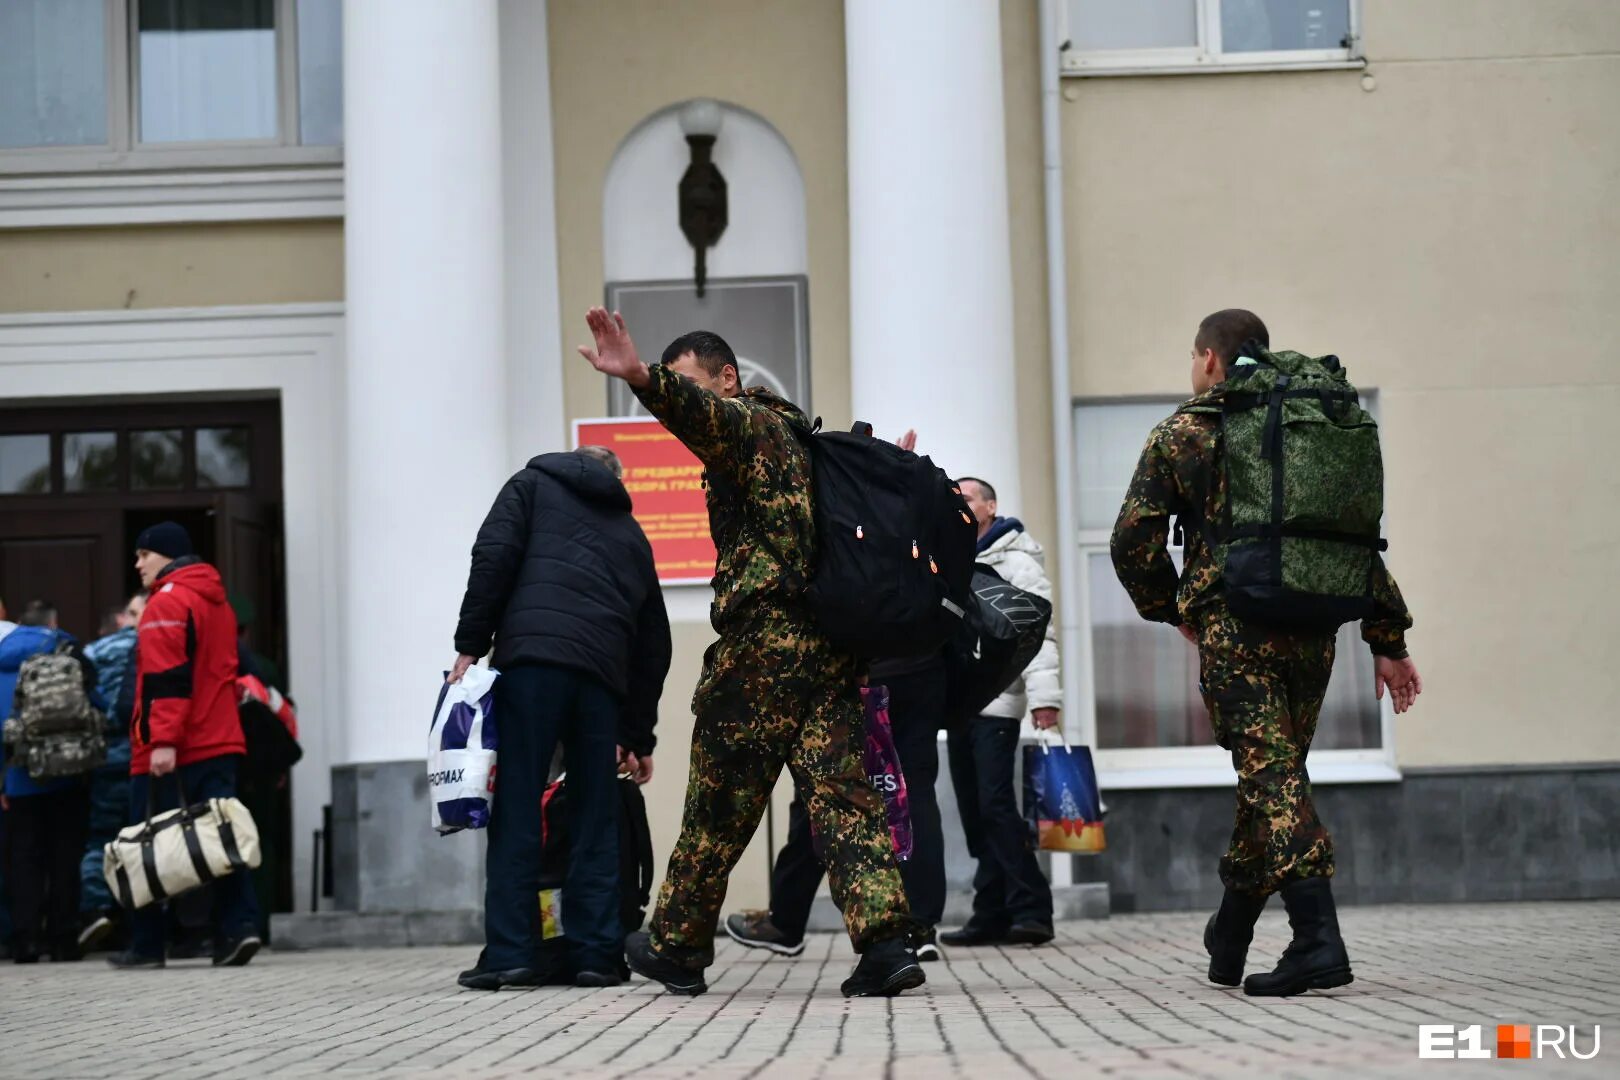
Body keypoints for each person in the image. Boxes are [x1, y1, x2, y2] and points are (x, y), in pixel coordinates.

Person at [579, 308, 924, 999]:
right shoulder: (805, 440)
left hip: (765, 646)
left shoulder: (751, 426)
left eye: (696, 385)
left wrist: (644, 377)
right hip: (827, 646)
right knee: (843, 797)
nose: (695, 403)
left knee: (719, 798)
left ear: (727, 380)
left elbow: (703, 417)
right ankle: (886, 944)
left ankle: (676, 943)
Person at [1110, 308, 1422, 997]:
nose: (1192, 371)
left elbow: (1132, 541)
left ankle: (1318, 941)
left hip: (1236, 629)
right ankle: (1231, 930)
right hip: (1312, 630)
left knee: (1271, 778)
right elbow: (1350, 538)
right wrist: (1387, 637)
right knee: (1273, 778)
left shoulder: (1186, 430)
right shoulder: (1312, 424)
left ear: (1212, 360)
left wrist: (1173, 610)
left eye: (1194, 359)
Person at [449, 445, 671, 990]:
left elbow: (493, 555)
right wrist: (636, 734)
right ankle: (596, 955)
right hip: (599, 681)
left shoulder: (529, 487)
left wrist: (470, 644)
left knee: (520, 805)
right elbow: (654, 643)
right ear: (616, 480)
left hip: (532, 667)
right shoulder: (631, 535)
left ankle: (511, 954)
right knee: (595, 815)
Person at [107, 521, 262, 970]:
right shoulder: (218, 602)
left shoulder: (167, 601)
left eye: (143, 554)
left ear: (166, 555)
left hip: (176, 745)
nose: (137, 563)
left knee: (146, 843)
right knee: (221, 840)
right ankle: (238, 929)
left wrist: (163, 742)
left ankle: (148, 944)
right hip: (220, 737)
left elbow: (165, 678)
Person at [938, 479, 1063, 948]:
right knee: (973, 809)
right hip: (958, 702)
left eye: (967, 497)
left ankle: (1032, 909)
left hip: (999, 700)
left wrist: (1046, 698)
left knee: (994, 805)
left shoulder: (1016, 557)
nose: (960, 504)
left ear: (990, 507)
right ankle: (990, 912)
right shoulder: (949, 554)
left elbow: (1038, 629)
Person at [0, 601, 100, 962]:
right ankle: (63, 939)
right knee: (65, 855)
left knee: (22, 860)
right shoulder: (67, 652)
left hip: (18, 777)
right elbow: (97, 704)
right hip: (68, 774)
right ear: (54, 623)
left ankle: (25, 941)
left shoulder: (2, 659)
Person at [76, 592, 145, 953]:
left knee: (100, 836)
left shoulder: (94, 652)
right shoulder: (154, 642)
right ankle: (145, 921)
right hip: (145, 754)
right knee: (146, 836)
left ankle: (95, 909)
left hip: (105, 755)